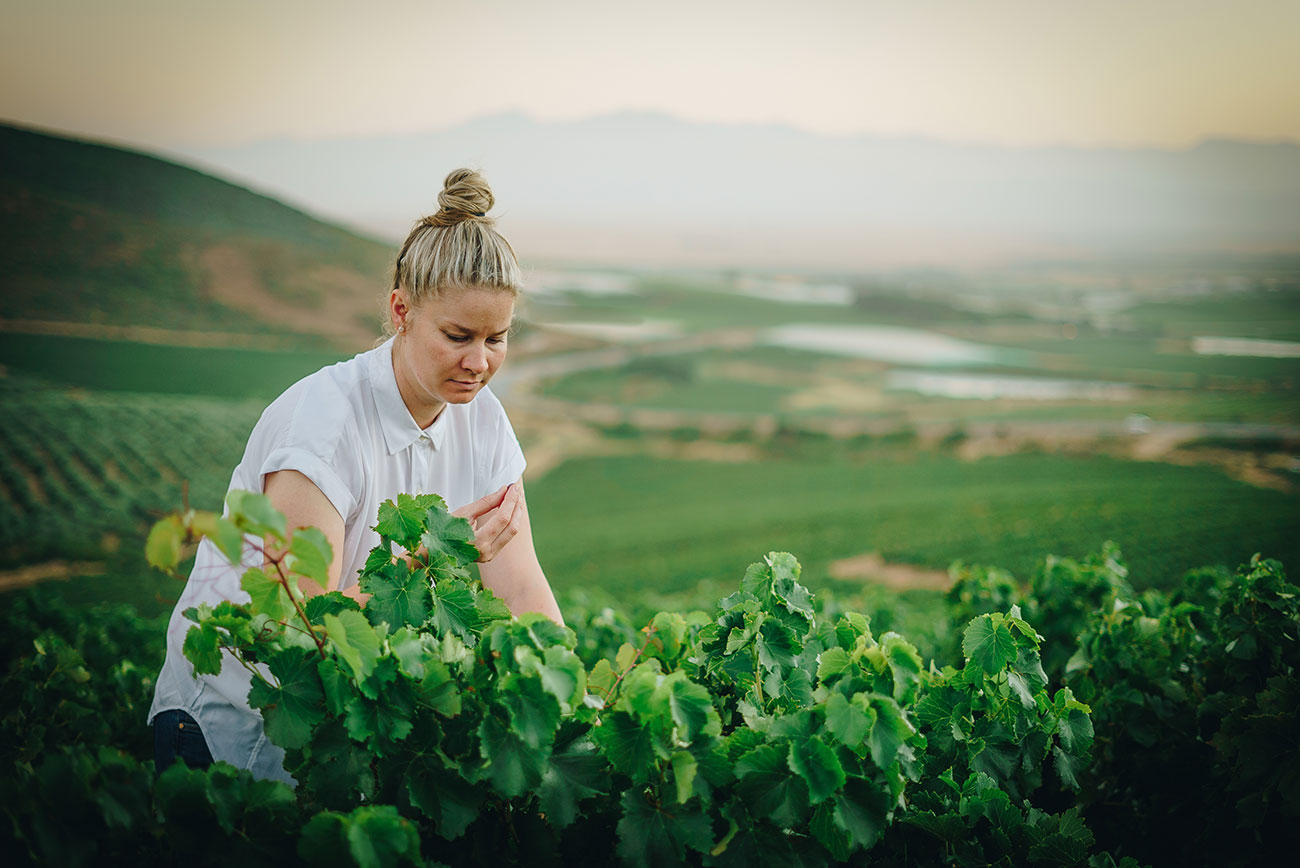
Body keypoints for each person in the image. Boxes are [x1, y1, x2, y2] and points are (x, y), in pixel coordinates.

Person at [149, 168, 562, 782]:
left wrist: (567, 695)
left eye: (496, 339)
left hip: (342, 731)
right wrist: (436, 559)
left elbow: (524, 592)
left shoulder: (486, 424)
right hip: (223, 728)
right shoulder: (321, 425)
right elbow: (304, 625)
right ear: (401, 310)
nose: (479, 363)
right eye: (457, 336)